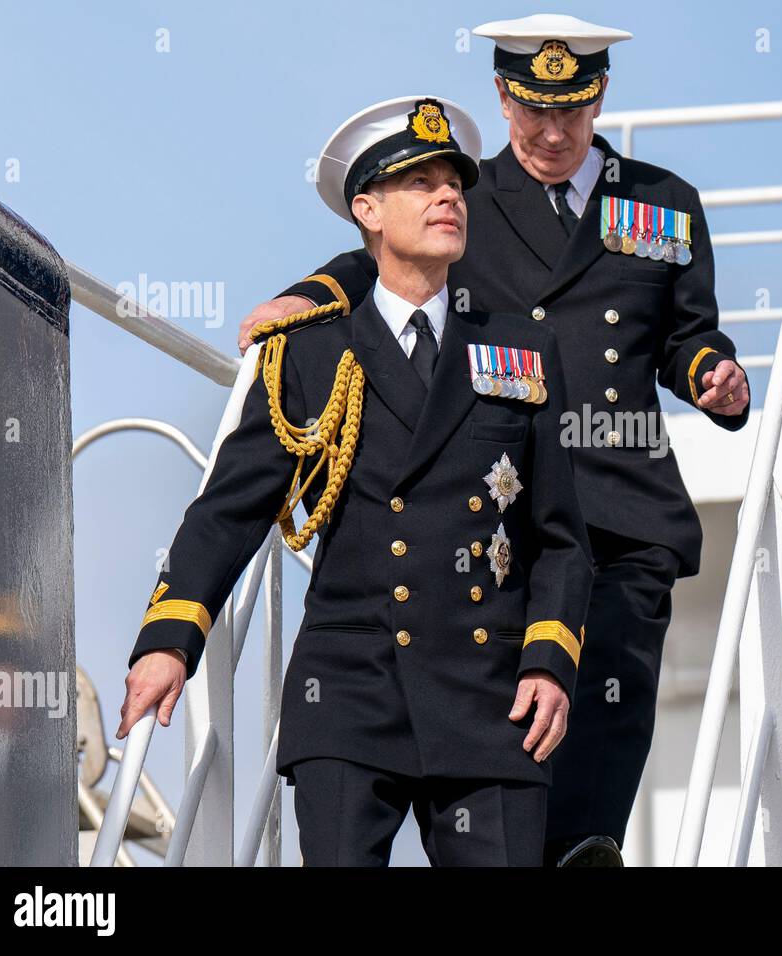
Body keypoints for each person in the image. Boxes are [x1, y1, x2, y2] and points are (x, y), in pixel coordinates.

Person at [236, 14, 752, 868]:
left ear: (600, 100)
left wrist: (712, 374)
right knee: (503, 713)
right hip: (509, 512)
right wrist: (306, 295)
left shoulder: (662, 204)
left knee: (600, 710)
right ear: (506, 99)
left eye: (573, 114)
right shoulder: (461, 195)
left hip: (620, 505)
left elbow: (685, 335)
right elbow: (371, 259)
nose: (552, 134)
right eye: (533, 113)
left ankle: (583, 849)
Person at [117, 95, 592, 866]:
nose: (447, 196)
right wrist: (171, 637)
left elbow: (562, 537)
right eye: (420, 183)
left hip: (490, 696)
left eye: (454, 183)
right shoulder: (310, 353)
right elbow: (233, 508)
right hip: (349, 693)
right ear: (366, 209)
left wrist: (550, 659)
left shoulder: (519, 351)